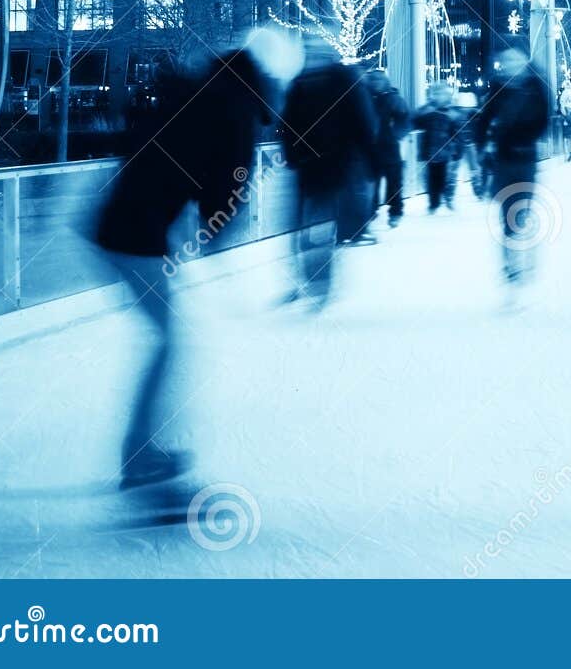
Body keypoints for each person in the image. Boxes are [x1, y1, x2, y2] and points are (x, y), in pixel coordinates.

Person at [92, 39, 280, 490]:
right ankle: (139, 456)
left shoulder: (195, 94)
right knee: (169, 339)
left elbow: (143, 147)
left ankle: (141, 451)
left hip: (121, 221)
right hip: (135, 231)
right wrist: (215, 233)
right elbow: (225, 195)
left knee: (167, 336)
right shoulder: (236, 114)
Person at [280, 38, 379, 307]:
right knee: (298, 228)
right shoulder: (299, 84)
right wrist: (291, 155)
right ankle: (301, 280)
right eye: (309, 51)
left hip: (334, 165)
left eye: (317, 51)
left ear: (328, 54)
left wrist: (370, 161)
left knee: (320, 228)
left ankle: (320, 284)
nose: (313, 56)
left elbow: (363, 123)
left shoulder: (344, 81)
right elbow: (287, 124)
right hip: (304, 166)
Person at [472, 47, 552, 293]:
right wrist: (480, 143)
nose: (508, 66)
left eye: (513, 61)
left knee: (521, 210)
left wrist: (522, 138)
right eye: (504, 62)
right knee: (508, 211)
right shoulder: (498, 89)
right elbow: (484, 118)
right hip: (503, 158)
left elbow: (543, 120)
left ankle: (523, 254)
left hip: (525, 157)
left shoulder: (537, 88)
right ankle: (511, 262)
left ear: (523, 63)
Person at [365, 69, 411, 227]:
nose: (375, 83)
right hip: (373, 149)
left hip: (389, 147)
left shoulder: (393, 99)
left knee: (393, 182)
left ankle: (395, 211)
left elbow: (404, 120)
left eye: (378, 80)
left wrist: (395, 135)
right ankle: (372, 211)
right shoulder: (368, 99)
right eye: (373, 80)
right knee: (374, 182)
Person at [413, 82, 464, 213]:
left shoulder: (453, 113)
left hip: (446, 153)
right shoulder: (427, 111)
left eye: (441, 93)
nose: (438, 96)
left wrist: (458, 151)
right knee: (431, 179)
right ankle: (433, 203)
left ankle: (448, 197)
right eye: (436, 93)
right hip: (429, 152)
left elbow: (458, 134)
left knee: (447, 177)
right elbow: (415, 122)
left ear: (447, 95)